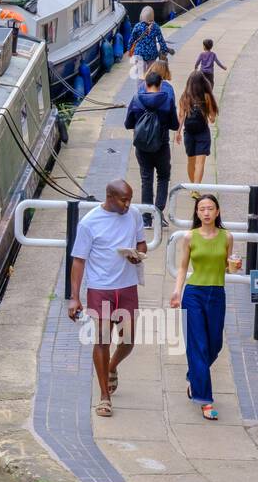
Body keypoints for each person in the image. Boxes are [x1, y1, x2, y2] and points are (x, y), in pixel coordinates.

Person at [67, 180, 147, 417]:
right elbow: (79, 260)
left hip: (127, 286)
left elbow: (142, 243)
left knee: (129, 339)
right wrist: (74, 298)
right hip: (100, 288)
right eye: (124, 200)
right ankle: (104, 396)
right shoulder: (89, 223)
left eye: (130, 199)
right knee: (102, 340)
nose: (128, 204)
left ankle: (111, 367)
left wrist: (138, 254)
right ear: (110, 196)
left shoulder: (133, 215)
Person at [170, 194, 241, 420]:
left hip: (217, 294)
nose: (207, 212)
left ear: (218, 212)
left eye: (211, 208)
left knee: (215, 345)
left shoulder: (227, 237)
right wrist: (176, 291)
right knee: (198, 345)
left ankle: (194, 375)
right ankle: (204, 399)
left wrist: (235, 267)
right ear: (197, 213)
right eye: (202, 209)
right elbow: (182, 268)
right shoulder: (189, 237)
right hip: (194, 294)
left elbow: (227, 268)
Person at [124, 69, 179, 229]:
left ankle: (146, 219)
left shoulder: (136, 100)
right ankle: (158, 214)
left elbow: (128, 124)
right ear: (160, 84)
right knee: (163, 178)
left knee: (146, 179)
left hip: (142, 147)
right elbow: (174, 124)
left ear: (145, 84)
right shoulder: (167, 100)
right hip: (161, 145)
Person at [177, 71, 219, 185]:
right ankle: (196, 188)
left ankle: (193, 186)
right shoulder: (207, 96)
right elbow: (212, 118)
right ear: (203, 83)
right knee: (200, 163)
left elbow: (181, 116)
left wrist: (178, 132)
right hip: (203, 133)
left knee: (191, 161)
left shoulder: (185, 97)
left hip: (189, 133)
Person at [127, 5, 169, 78]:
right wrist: (164, 51)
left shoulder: (137, 26)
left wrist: (129, 49)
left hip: (139, 54)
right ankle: (149, 87)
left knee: (140, 75)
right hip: (152, 54)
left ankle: (141, 88)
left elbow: (131, 39)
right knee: (150, 75)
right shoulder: (155, 27)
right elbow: (161, 40)